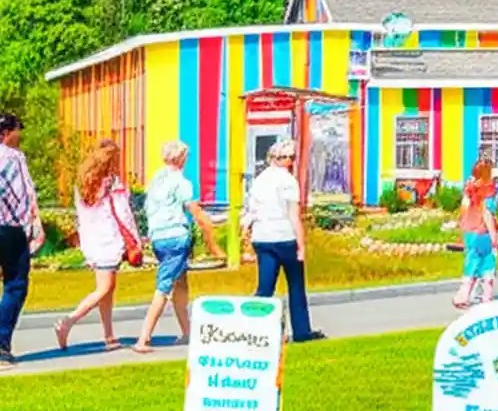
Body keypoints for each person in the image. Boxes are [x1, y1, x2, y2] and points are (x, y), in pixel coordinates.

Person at [134, 139, 223, 353]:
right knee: (164, 286)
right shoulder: (182, 182)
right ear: (181, 158)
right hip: (176, 236)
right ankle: (143, 338)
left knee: (180, 283)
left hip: (158, 236)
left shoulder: (156, 179)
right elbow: (196, 212)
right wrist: (213, 243)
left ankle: (187, 332)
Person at [55, 140, 139, 351]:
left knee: (107, 290)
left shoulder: (84, 184)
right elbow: (123, 214)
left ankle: (109, 335)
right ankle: (68, 321)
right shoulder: (113, 183)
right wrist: (136, 240)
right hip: (109, 240)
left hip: (92, 241)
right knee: (105, 288)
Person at [243, 139, 324, 343]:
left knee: (265, 287)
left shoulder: (260, 180)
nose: (289, 161)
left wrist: (246, 234)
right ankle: (301, 331)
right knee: (295, 285)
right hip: (284, 236)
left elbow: (251, 211)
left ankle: (258, 330)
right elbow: (293, 215)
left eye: (292, 157)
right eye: (287, 157)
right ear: (278, 159)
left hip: (262, 237)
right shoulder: (288, 181)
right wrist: (301, 245)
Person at [0, 113, 42, 370]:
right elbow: (27, 193)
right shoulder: (14, 157)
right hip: (9, 227)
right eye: (18, 131)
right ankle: (1, 344)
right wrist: (35, 223)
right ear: (7, 132)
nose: (20, 136)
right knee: (15, 284)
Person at [453, 159, 498, 309]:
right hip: (483, 232)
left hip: (469, 231)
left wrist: (462, 225)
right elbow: (487, 213)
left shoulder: (470, 188)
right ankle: (486, 297)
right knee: (488, 264)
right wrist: (493, 234)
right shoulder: (488, 190)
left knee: (471, 263)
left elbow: (464, 208)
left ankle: (463, 295)